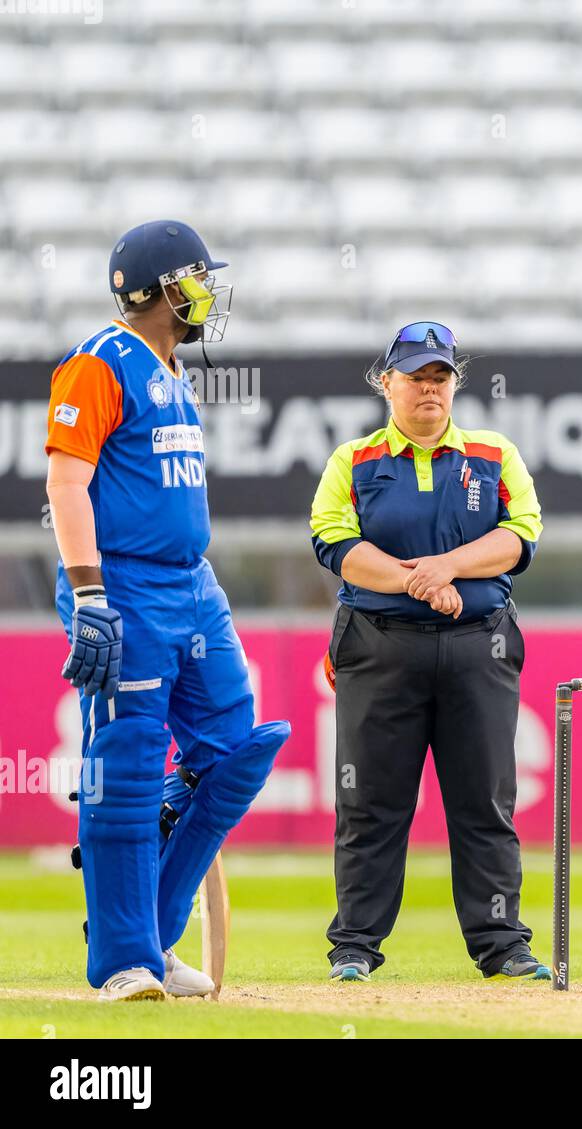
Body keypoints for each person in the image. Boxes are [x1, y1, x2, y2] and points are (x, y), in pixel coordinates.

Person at [45, 220, 290, 1000]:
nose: (205, 292)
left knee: (231, 748)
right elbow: (65, 483)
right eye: (193, 279)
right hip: (123, 584)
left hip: (192, 584)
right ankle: (121, 957)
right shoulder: (96, 363)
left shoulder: (173, 370)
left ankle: (151, 931)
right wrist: (88, 591)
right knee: (124, 764)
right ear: (151, 290)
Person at [309, 321, 548, 982]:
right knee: (370, 805)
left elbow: (521, 536)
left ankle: (502, 944)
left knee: (486, 801)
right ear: (386, 384)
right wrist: (421, 581)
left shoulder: (493, 453)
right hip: (378, 647)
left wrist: (444, 569)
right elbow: (336, 544)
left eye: (439, 376)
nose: (428, 389)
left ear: (454, 383)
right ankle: (354, 945)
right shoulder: (352, 460)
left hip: (480, 645)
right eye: (415, 376)